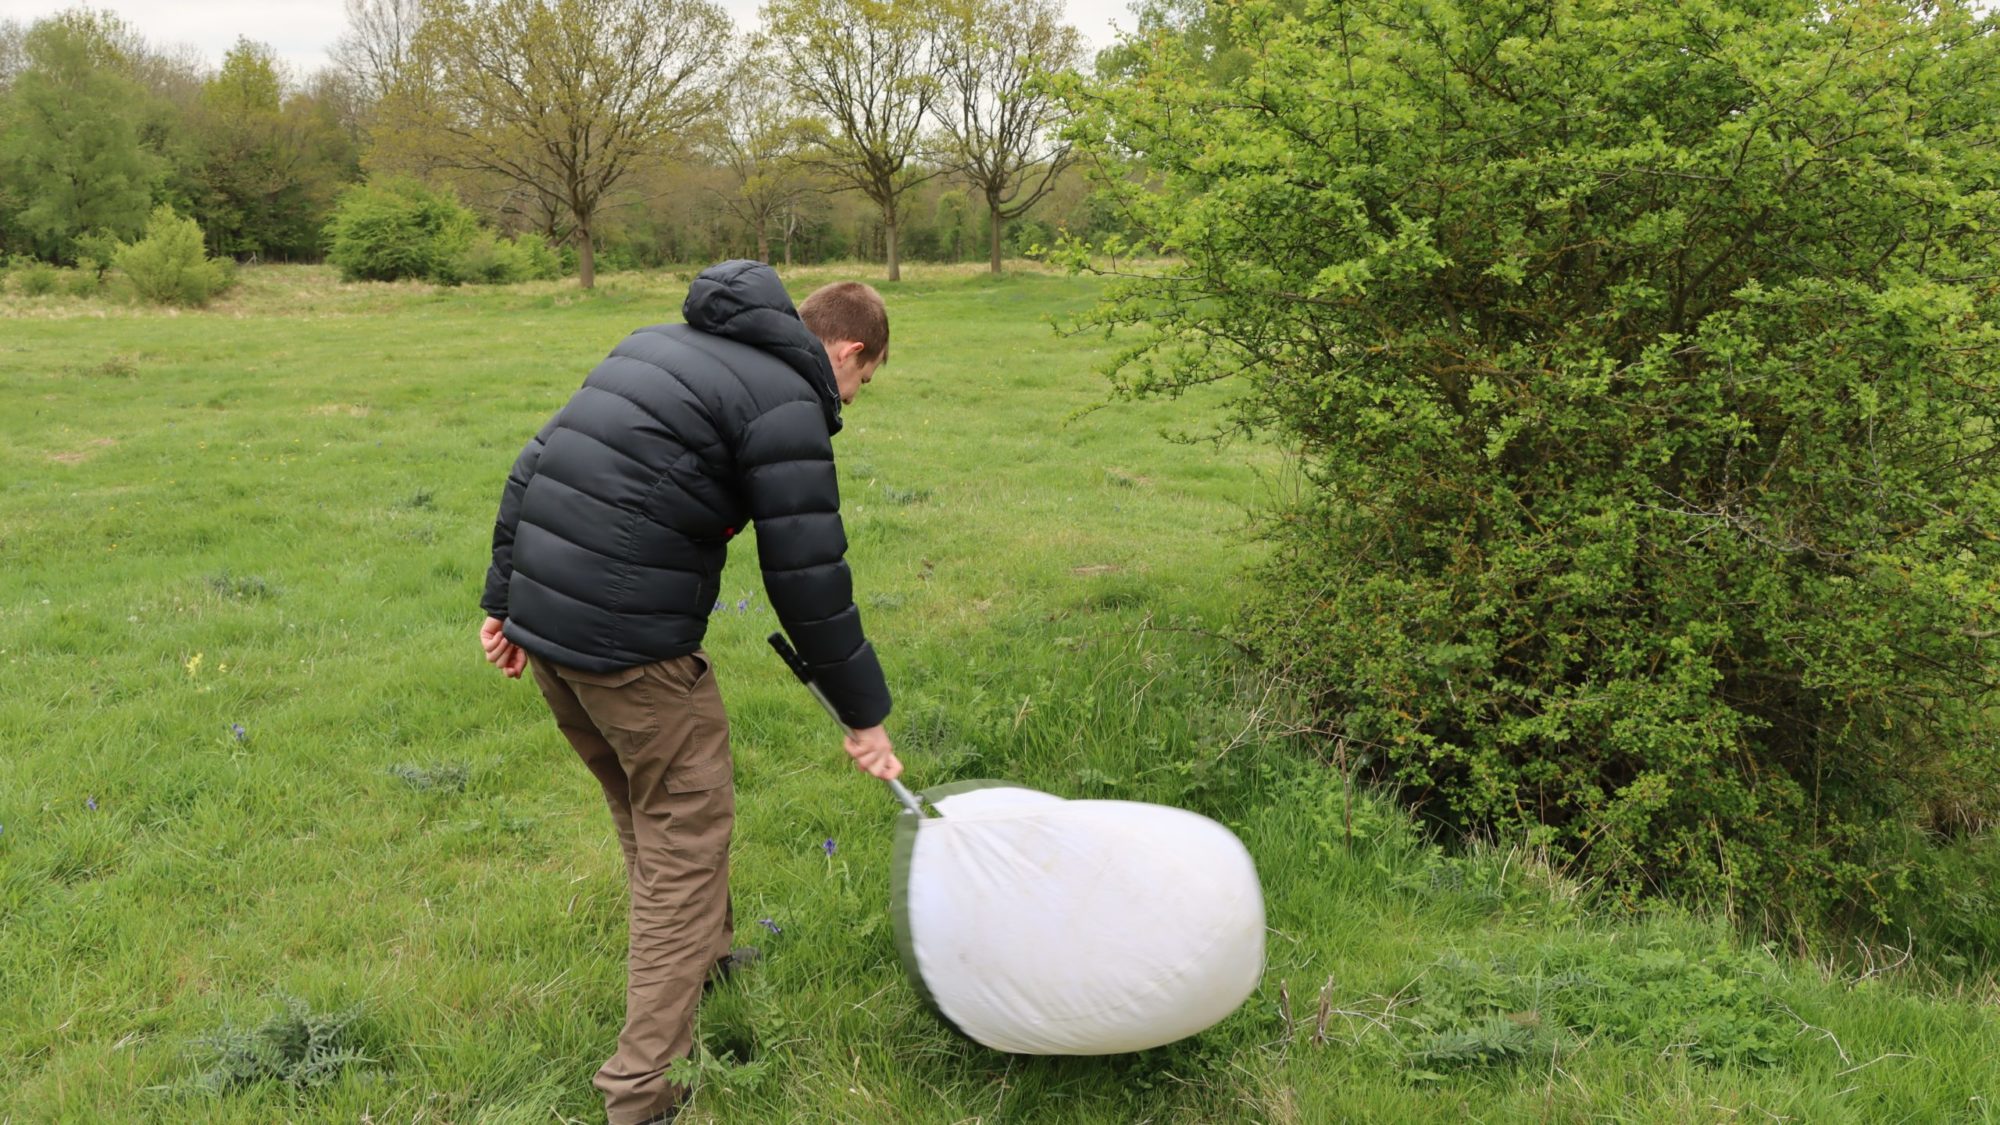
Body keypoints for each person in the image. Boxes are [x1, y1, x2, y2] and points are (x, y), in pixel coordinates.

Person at [475, 260, 899, 1125]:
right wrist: (864, 713)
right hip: (630, 650)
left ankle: (705, 961)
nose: (853, 399)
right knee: (685, 840)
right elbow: (808, 577)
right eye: (863, 379)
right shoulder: (785, 402)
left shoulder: (656, 346)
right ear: (849, 349)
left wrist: (501, 601)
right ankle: (642, 1091)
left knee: (652, 814)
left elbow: (535, 460)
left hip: (552, 631)